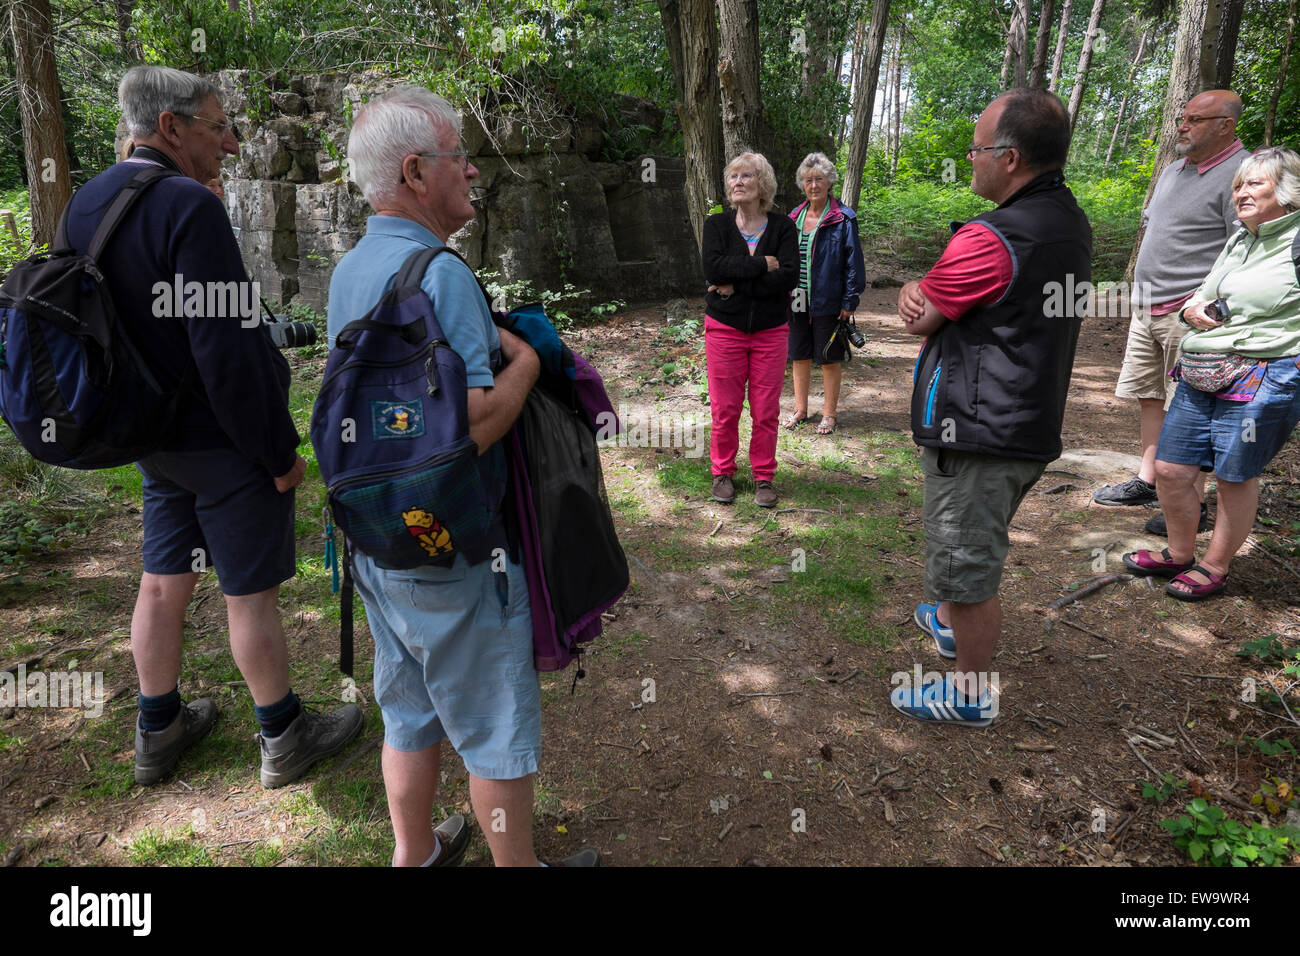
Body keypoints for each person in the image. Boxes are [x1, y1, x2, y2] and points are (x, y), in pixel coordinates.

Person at [60, 66, 361, 787]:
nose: (227, 144)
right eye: (216, 126)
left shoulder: (87, 203)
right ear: (171, 127)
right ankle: (284, 735)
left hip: (148, 438)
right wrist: (276, 451)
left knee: (163, 582)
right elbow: (227, 349)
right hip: (219, 441)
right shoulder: (189, 208)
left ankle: (157, 729)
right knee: (247, 594)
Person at [328, 85, 598, 867]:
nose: (473, 172)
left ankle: (414, 858)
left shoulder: (351, 266)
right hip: (455, 549)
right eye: (459, 158)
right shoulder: (440, 275)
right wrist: (521, 360)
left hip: (377, 537)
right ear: (416, 171)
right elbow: (474, 425)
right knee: (495, 735)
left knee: (407, 713)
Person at [892, 88, 1092, 726]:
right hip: (1022, 420)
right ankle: (948, 624)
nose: (969, 158)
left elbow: (922, 317)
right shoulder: (1066, 219)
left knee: (965, 565)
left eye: (977, 149)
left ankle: (970, 695)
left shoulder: (992, 237)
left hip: (979, 430)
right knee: (969, 548)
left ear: (1009, 159)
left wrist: (912, 285)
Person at [1123, 147, 1300, 601]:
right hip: (1204, 369)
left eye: (1254, 184)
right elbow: (1203, 291)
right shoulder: (1241, 237)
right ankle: (1179, 553)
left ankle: (1214, 565)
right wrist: (1191, 309)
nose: (1241, 192)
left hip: (1265, 376)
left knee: (1233, 474)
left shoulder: (1296, 239)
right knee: (1169, 467)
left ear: (1287, 190)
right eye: (1238, 184)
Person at [1093, 90, 1249, 536]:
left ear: (1226, 125)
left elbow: (1243, 250)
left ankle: (1191, 502)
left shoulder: (1244, 174)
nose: (1183, 126)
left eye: (1196, 120)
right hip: (1147, 309)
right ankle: (1150, 480)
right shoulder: (1173, 170)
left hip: (1193, 314)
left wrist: (1212, 305)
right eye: (1183, 118)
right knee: (1150, 394)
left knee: (1192, 406)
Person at [701, 152, 799, 507]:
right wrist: (761, 265)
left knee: (765, 408)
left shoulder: (784, 227)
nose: (738, 182)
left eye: (747, 176)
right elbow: (713, 270)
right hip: (725, 329)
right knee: (725, 408)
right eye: (733, 177)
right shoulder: (716, 225)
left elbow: (788, 276)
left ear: (763, 185)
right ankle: (723, 472)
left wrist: (736, 283)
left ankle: (763, 477)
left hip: (770, 331)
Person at [784, 152, 866, 436]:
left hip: (828, 297)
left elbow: (853, 261)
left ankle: (829, 414)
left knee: (829, 356)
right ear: (802, 185)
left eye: (819, 179)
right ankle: (800, 408)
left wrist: (849, 300)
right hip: (796, 297)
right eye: (808, 180)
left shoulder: (843, 218)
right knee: (799, 354)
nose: (813, 185)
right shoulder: (793, 216)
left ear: (829, 182)